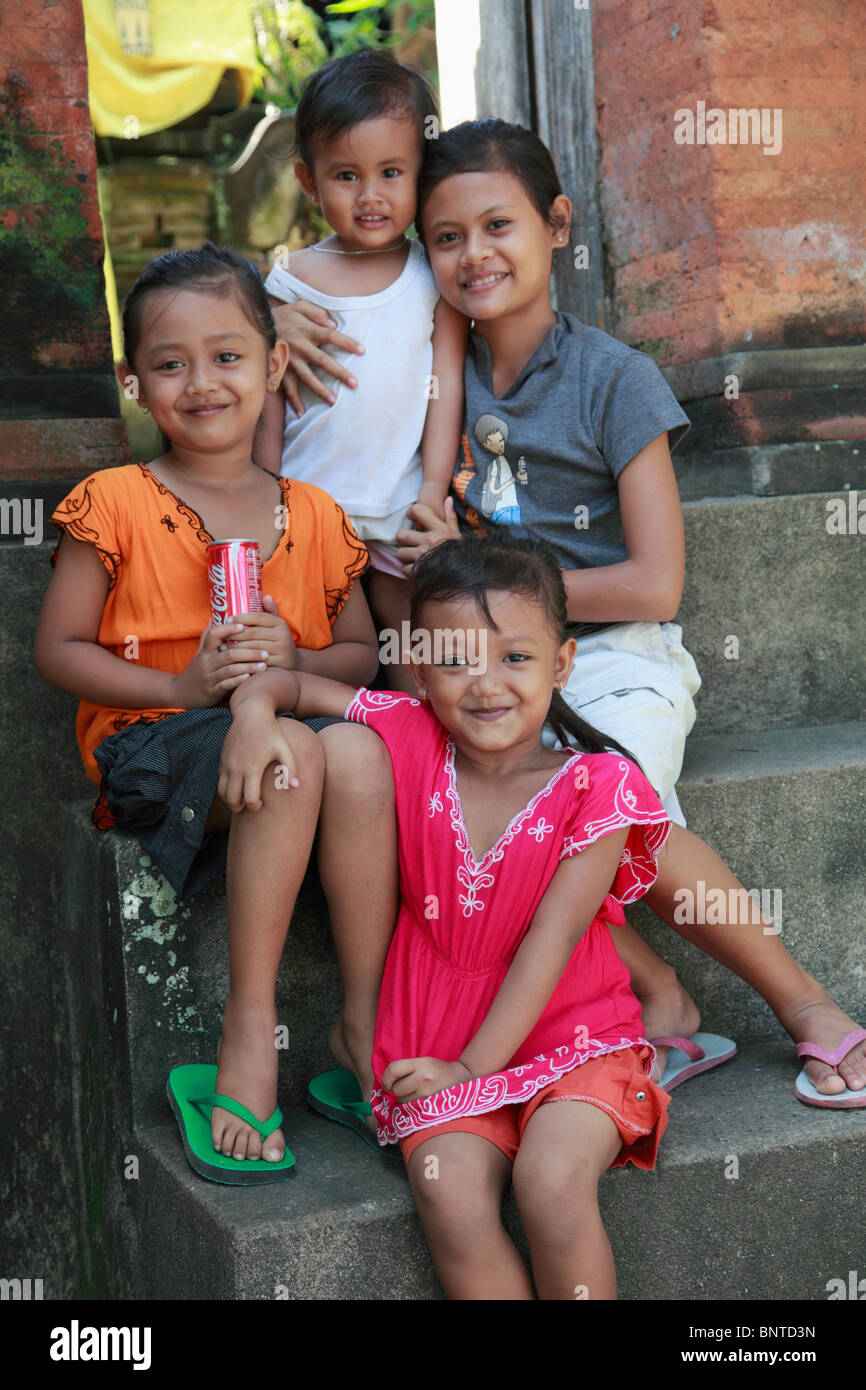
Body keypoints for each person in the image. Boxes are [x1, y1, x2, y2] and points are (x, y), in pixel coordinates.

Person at [285, 119, 866, 1110]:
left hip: (609, 656)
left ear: (555, 225)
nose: (474, 255)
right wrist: (271, 314)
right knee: (456, 816)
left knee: (611, 801)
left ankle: (808, 1007)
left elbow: (652, 584)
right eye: (445, 236)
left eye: (498, 225)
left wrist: (510, 598)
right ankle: (651, 993)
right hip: (474, 671)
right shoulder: (426, 379)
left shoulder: (613, 379)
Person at [237, 533, 674, 1298]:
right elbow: (296, 688)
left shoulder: (598, 786)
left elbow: (554, 939)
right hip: (431, 1039)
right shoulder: (408, 733)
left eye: (514, 657)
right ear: (417, 666)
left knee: (550, 1181)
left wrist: (474, 1069)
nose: (485, 685)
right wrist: (250, 711)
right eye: (454, 660)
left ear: (561, 664)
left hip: (573, 1040)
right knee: (447, 1194)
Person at [34, 243, 379, 1183]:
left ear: (273, 367)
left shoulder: (313, 513)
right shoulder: (114, 502)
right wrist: (185, 690)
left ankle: (361, 1024)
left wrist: (297, 659)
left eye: (228, 356)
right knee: (297, 757)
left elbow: (360, 653)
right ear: (135, 382)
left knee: (355, 755)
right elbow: (58, 650)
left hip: (281, 731)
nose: (201, 382)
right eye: (170, 362)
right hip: (151, 743)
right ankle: (248, 1038)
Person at [253, 51, 468, 683]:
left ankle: (419, 765)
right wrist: (265, 493)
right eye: (346, 175)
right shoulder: (291, 281)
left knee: (413, 662)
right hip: (308, 509)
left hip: (399, 507)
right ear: (309, 181)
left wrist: (432, 490)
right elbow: (266, 396)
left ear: (422, 174)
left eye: (392, 172)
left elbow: (444, 382)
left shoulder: (432, 273)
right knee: (317, 659)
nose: (370, 195)